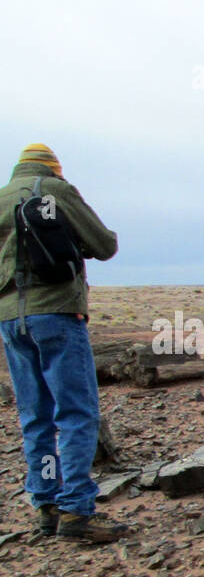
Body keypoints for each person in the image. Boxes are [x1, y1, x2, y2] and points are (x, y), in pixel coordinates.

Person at [0, 144, 128, 542]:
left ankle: (47, 504)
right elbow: (104, 245)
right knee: (75, 412)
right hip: (56, 312)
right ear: (54, 168)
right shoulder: (56, 192)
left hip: (9, 318)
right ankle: (76, 511)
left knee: (35, 414)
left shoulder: (3, 198)